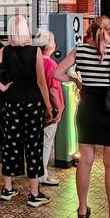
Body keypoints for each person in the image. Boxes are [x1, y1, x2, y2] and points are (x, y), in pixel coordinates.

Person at [54, 14, 110, 218]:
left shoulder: (80, 50)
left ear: (91, 31)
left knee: (84, 161)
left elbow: (57, 73)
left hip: (87, 109)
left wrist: (76, 80)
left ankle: (82, 209)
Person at [0, 14, 54, 207]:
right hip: (33, 103)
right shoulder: (35, 51)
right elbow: (41, 82)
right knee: (33, 145)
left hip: (12, 102)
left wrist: (3, 87)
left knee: (11, 142)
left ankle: (7, 188)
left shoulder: (5, 51)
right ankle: (34, 193)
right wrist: (48, 106)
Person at [35, 28, 65, 186]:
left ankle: (34, 171)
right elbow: (53, 90)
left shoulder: (34, 61)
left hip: (35, 106)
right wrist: (59, 109)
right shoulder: (51, 64)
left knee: (36, 142)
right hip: (49, 110)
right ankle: (42, 174)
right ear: (49, 46)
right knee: (46, 142)